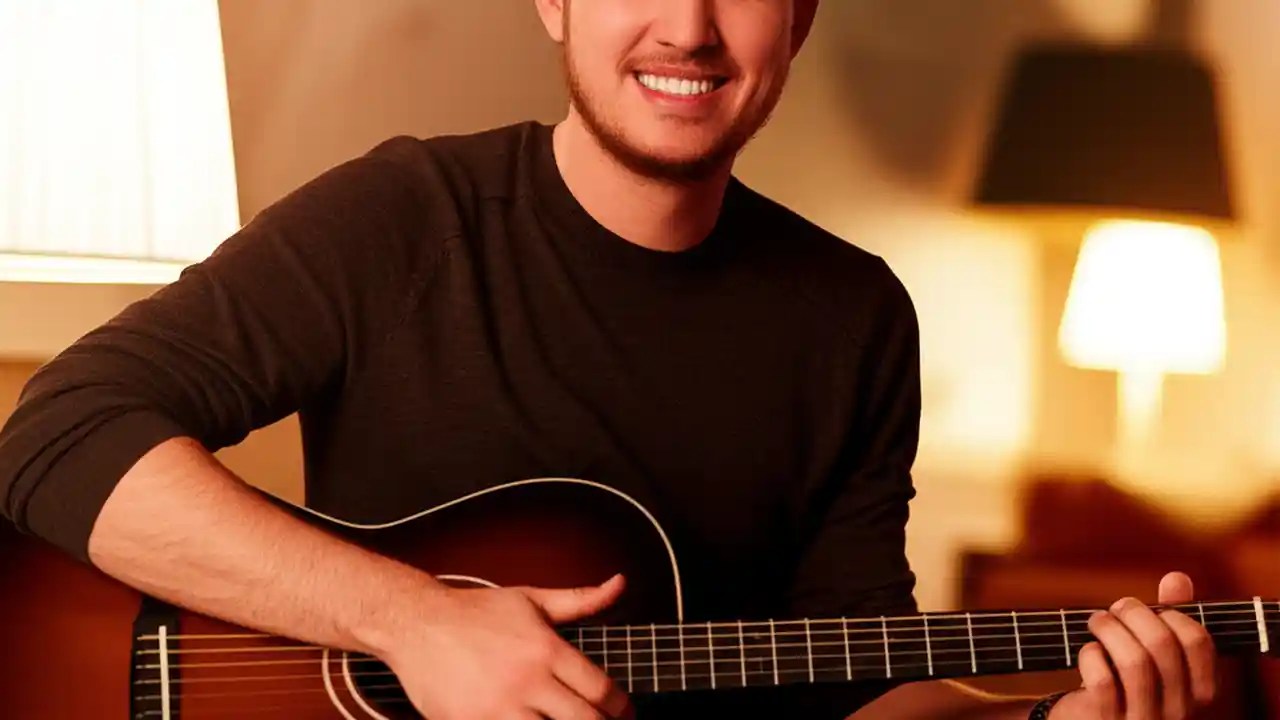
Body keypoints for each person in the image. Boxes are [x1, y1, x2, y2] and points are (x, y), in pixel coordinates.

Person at [0, 1, 1218, 718]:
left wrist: (1060, 715)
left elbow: (854, 678)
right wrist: (412, 622)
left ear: (796, 16)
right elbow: (58, 437)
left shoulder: (852, 316)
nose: (686, 27)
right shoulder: (404, 218)